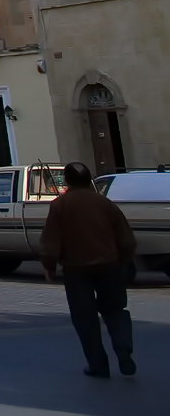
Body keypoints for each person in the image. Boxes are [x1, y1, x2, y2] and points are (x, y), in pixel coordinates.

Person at [40, 161, 136, 378]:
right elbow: (125, 237)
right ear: (90, 179)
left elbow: (51, 241)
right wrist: (125, 259)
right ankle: (123, 348)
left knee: (85, 318)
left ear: (67, 180)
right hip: (110, 266)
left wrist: (49, 266)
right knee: (115, 309)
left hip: (76, 270)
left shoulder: (60, 205)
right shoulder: (105, 203)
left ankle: (97, 364)